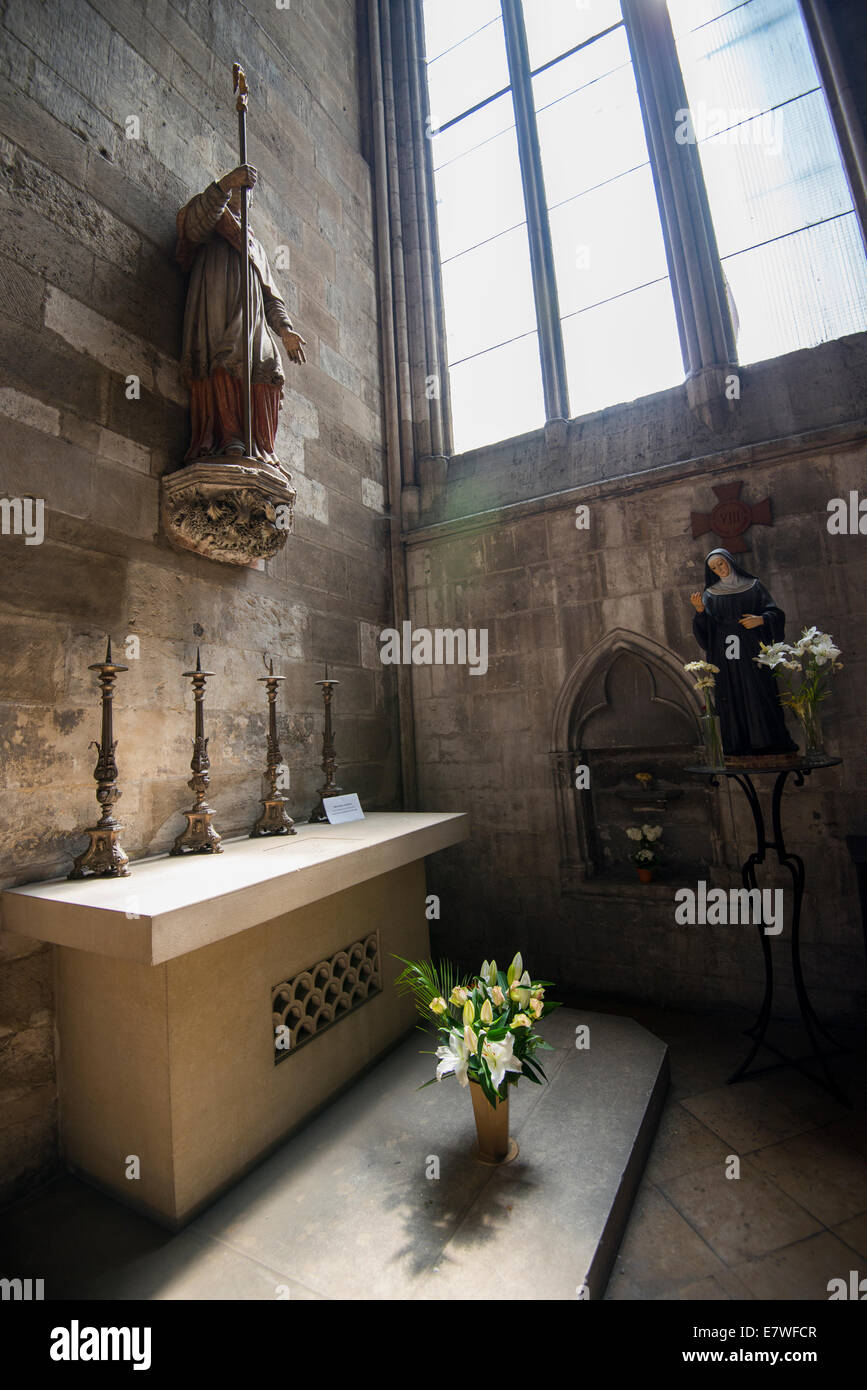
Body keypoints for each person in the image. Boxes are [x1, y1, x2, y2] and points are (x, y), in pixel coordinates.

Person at [175, 163, 306, 469]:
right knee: (225, 361)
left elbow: (270, 294)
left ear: (252, 203)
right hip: (217, 307)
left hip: (254, 318)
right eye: (237, 188)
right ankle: (227, 436)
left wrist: (285, 330)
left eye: (247, 192)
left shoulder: (256, 247)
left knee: (269, 369)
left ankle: (260, 446)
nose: (242, 194)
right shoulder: (212, 219)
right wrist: (225, 184)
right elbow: (192, 227)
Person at [690, 548, 798, 756]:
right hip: (727, 654)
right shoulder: (711, 594)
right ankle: (739, 744)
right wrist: (700, 612)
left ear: (729, 561)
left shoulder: (754, 586)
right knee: (733, 693)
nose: (719, 569)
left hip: (752, 647)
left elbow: (775, 613)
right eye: (714, 568)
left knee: (760, 690)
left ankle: (770, 742)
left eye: (721, 563)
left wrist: (761, 619)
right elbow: (707, 631)